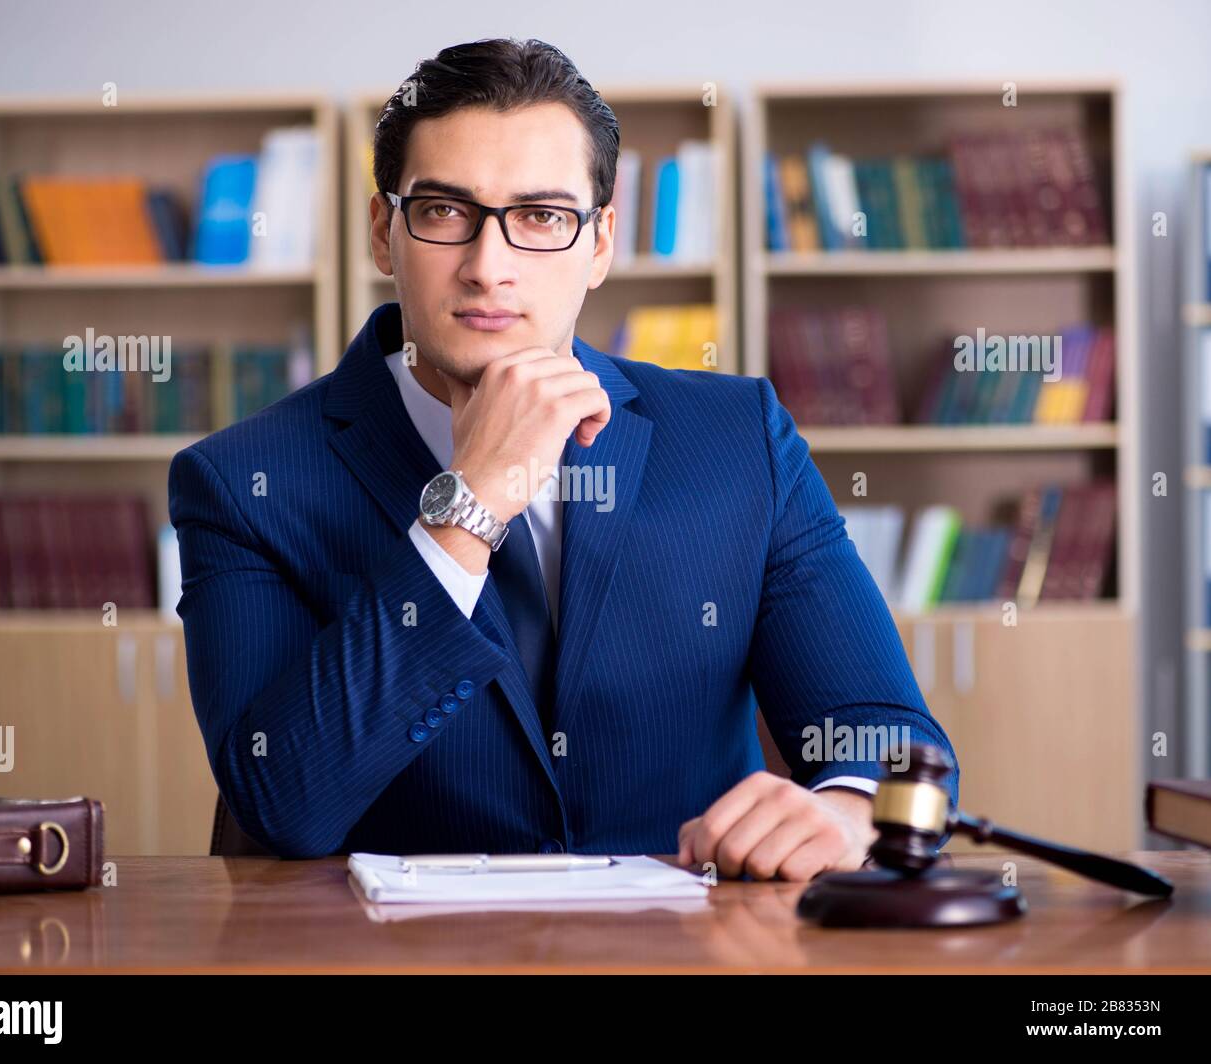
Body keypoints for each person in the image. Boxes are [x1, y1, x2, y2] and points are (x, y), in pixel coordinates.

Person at [169, 37, 959, 879]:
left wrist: (845, 810)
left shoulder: (739, 439)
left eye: (541, 218)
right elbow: (282, 802)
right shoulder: (243, 482)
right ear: (381, 232)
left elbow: (888, 738)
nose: (489, 268)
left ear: (600, 244)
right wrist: (470, 503)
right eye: (443, 211)